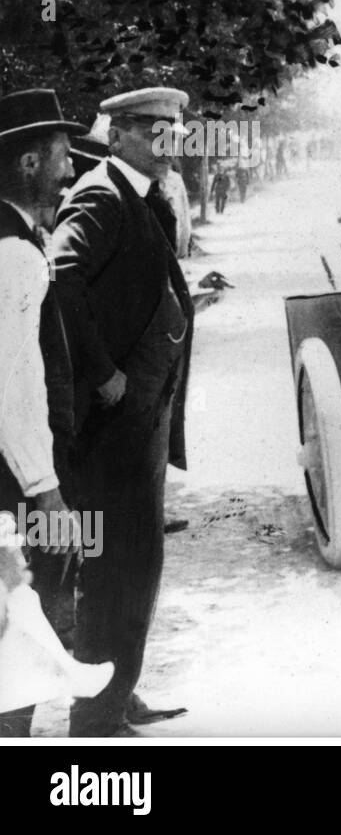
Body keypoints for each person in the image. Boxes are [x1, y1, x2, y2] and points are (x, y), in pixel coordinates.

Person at [49, 86, 196, 736]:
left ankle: (119, 690)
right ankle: (96, 716)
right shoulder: (101, 194)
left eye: (176, 130)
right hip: (112, 426)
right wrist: (102, 371)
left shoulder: (139, 194)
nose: (172, 142)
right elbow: (61, 277)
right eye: (156, 130)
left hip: (142, 418)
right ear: (120, 134)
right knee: (116, 568)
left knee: (137, 563)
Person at [0, 89, 86, 737]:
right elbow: (13, 388)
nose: (72, 171)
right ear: (29, 162)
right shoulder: (15, 256)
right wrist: (45, 491)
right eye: (62, 157)